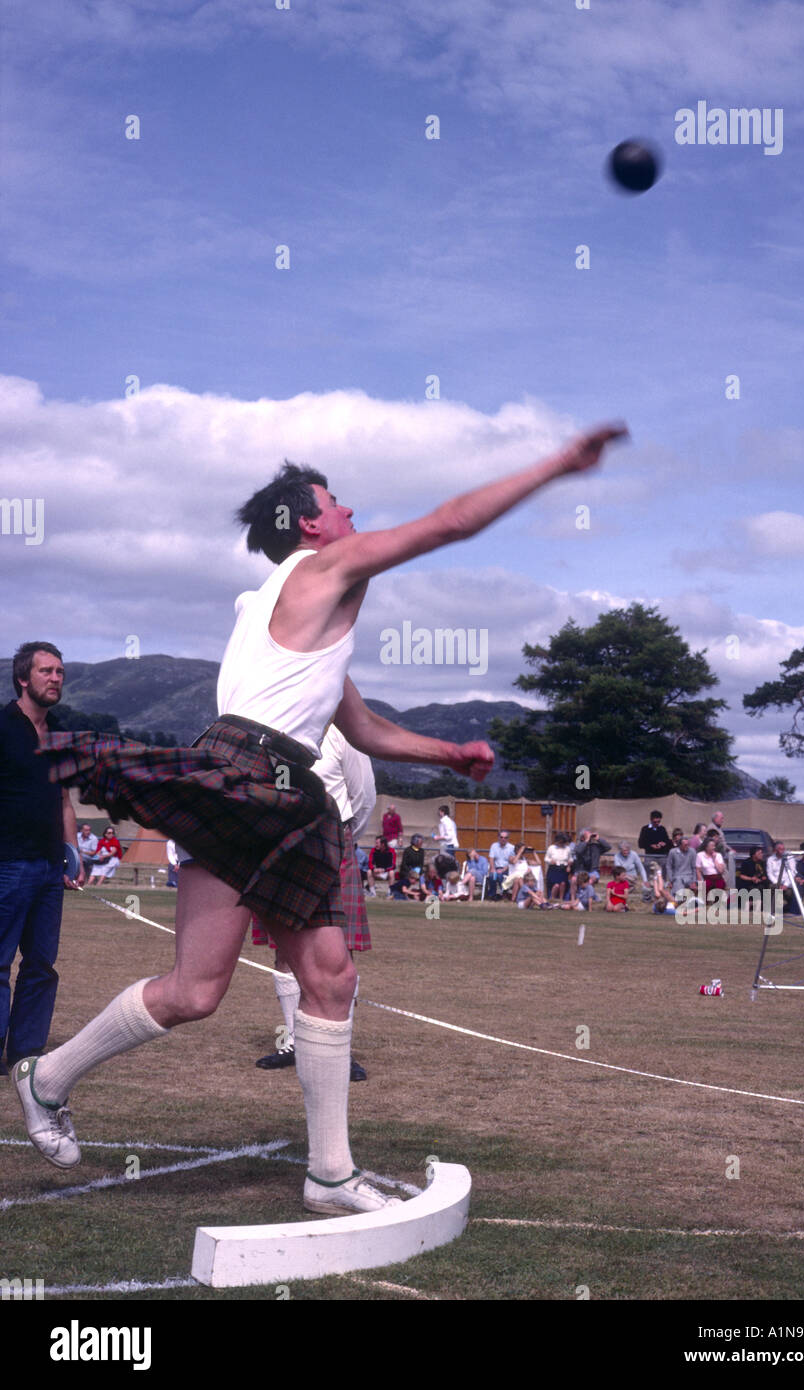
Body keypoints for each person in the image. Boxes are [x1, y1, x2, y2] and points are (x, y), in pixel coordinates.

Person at [15, 421, 625, 1212]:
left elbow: (359, 728)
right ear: (307, 523)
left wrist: (448, 754)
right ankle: (49, 1074)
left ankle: (327, 1173)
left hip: (289, 785)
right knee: (199, 992)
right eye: (337, 502)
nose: (350, 512)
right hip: (245, 775)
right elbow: (449, 522)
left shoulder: (300, 618)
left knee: (326, 980)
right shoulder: (322, 567)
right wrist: (556, 466)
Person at [254, 723, 376, 1081]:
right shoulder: (274, 730)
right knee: (283, 948)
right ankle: (294, 1042)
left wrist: (343, 835)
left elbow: (364, 796)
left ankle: (339, 1049)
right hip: (281, 840)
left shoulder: (344, 734)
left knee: (340, 950)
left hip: (332, 838)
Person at [1, 643, 84, 1078]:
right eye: (46, 671)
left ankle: (25, 1051)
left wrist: (73, 854)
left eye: (60, 672)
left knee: (40, 964)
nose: (56, 678)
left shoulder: (61, 731)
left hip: (51, 868)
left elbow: (65, 800)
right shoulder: (2, 725)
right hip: (8, 864)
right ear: (23, 678)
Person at [486, 829, 516, 899]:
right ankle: (492, 895)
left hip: (507, 869)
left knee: (499, 876)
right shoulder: (494, 846)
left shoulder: (512, 848)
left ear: (508, 838)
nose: (503, 839)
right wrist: (493, 869)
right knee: (492, 876)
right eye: (501, 837)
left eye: (505, 837)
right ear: (498, 837)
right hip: (496, 868)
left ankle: (503, 893)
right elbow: (491, 859)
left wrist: (503, 870)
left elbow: (511, 862)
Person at [544, 832, 571, 904]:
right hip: (553, 868)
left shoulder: (567, 849)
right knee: (556, 885)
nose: (561, 844)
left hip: (563, 869)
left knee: (563, 884)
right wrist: (550, 861)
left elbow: (570, 859)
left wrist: (569, 866)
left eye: (563, 843)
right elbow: (546, 859)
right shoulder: (551, 848)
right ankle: (552, 899)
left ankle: (561, 900)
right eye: (560, 842)